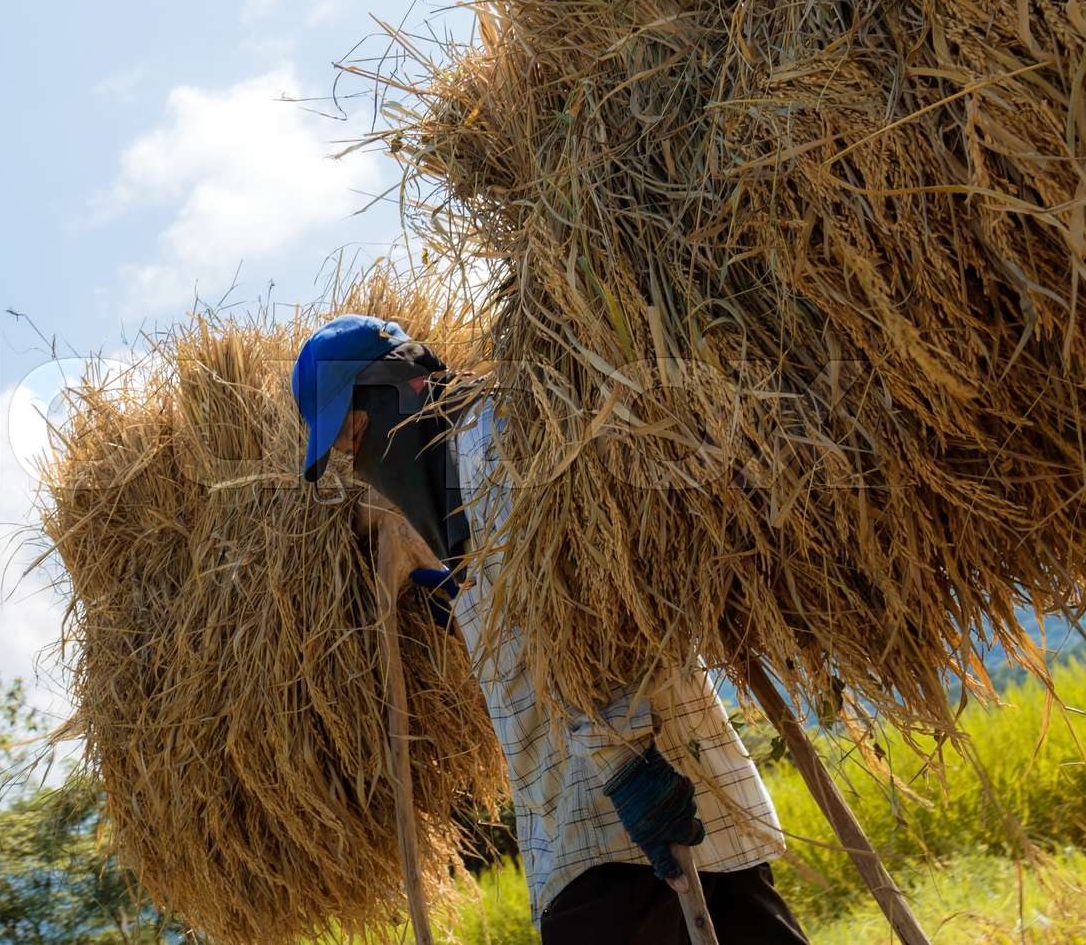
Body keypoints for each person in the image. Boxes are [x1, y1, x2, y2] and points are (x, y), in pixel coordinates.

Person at [291, 314, 808, 945]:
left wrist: (630, 769)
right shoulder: (456, 485)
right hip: (608, 825)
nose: (359, 461)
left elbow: (581, 614)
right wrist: (438, 599)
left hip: (628, 819)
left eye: (355, 435)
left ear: (392, 391)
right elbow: (518, 631)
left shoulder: (495, 447)